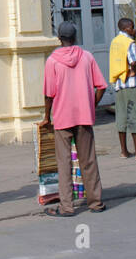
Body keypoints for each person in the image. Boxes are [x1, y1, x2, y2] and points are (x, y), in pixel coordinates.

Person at [40, 20, 107, 215]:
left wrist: (47, 117)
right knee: (89, 160)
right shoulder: (87, 57)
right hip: (84, 116)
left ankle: (67, 206)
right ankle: (95, 202)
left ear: (59, 39)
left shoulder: (52, 61)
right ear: (75, 37)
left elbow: (48, 95)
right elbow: (101, 87)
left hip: (62, 117)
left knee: (64, 162)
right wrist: (91, 105)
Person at [110, 17, 136, 159]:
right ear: (127, 28)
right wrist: (132, 72)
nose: (134, 30)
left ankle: (124, 151)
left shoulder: (114, 42)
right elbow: (133, 61)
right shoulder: (129, 43)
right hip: (131, 84)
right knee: (134, 116)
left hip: (119, 84)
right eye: (132, 27)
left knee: (121, 117)